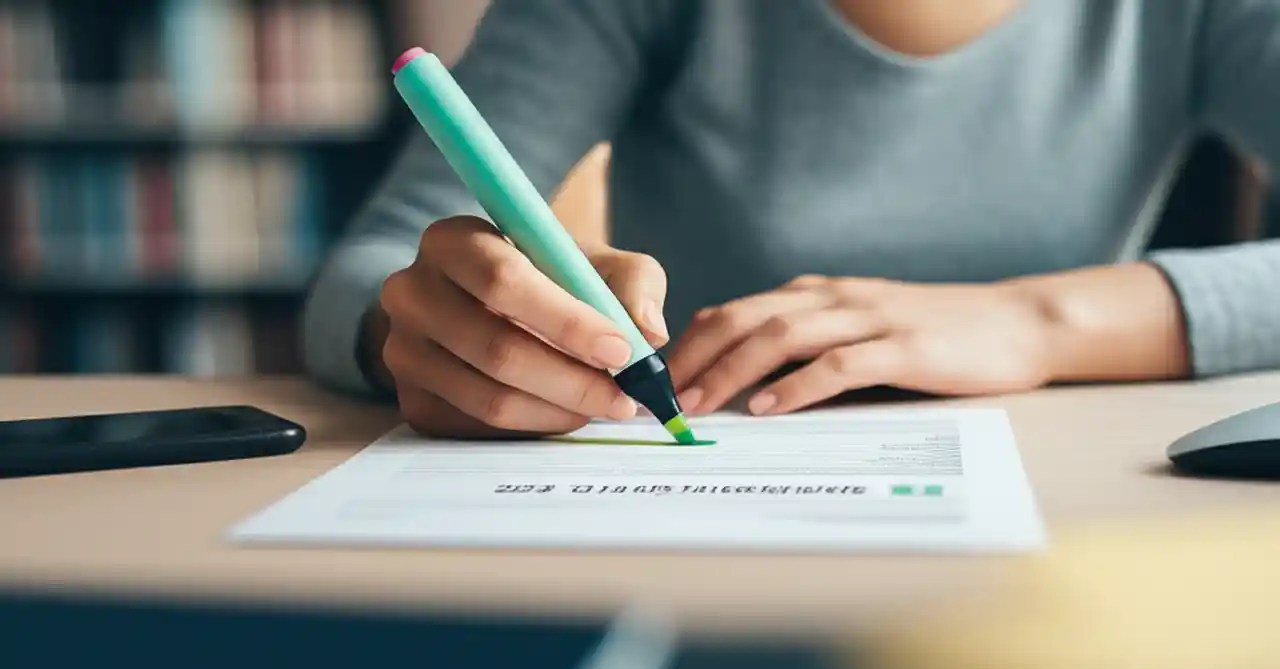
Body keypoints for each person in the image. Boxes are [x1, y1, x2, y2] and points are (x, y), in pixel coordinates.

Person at [304, 0, 1280, 438]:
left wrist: (1038, 321)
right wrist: (422, 330)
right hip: (687, 533)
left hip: (1069, 522)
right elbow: (369, 268)